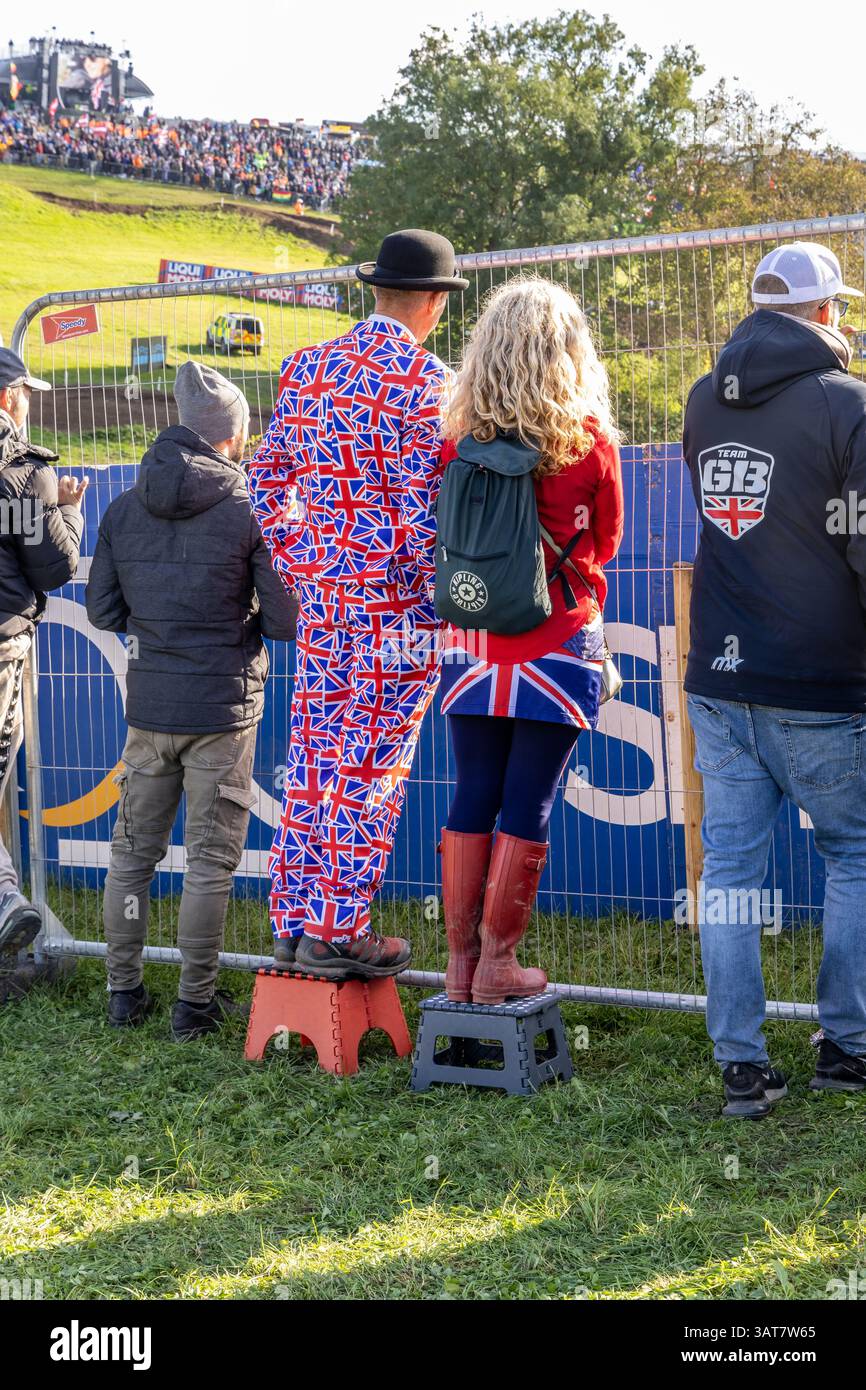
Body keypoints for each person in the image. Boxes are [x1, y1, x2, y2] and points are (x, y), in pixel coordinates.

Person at [249, 228, 467, 979]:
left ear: (375, 290)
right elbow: (417, 513)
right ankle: (340, 929)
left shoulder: (307, 367)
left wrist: (308, 564)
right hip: (395, 612)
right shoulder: (429, 382)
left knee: (314, 755)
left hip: (327, 605)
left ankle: (294, 922)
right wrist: (419, 591)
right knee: (369, 768)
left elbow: (266, 482)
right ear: (435, 302)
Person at [683, 241, 866, 1117]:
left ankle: (742, 1066)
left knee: (731, 871)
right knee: (856, 855)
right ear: (825, 313)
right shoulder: (847, 405)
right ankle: (849, 1045)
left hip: (720, 671)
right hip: (820, 679)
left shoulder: (702, 397)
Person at [86, 363, 297, 1039]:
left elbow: (101, 609)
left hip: (150, 710)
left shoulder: (122, 505)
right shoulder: (249, 507)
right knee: (209, 864)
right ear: (233, 433)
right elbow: (286, 620)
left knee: (132, 855)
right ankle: (193, 1005)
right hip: (222, 712)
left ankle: (124, 994)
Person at [437, 278, 624, 1005]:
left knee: (472, 788)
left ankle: (458, 968)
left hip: (470, 641)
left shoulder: (458, 440)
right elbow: (603, 544)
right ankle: (497, 965)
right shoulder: (590, 441)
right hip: (556, 641)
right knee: (529, 800)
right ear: (567, 351)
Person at [0, 347, 86, 961]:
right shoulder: (23, 468)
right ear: (9, 398)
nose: (30, 403)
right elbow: (54, 566)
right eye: (27, 392)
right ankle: (6, 898)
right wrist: (68, 510)